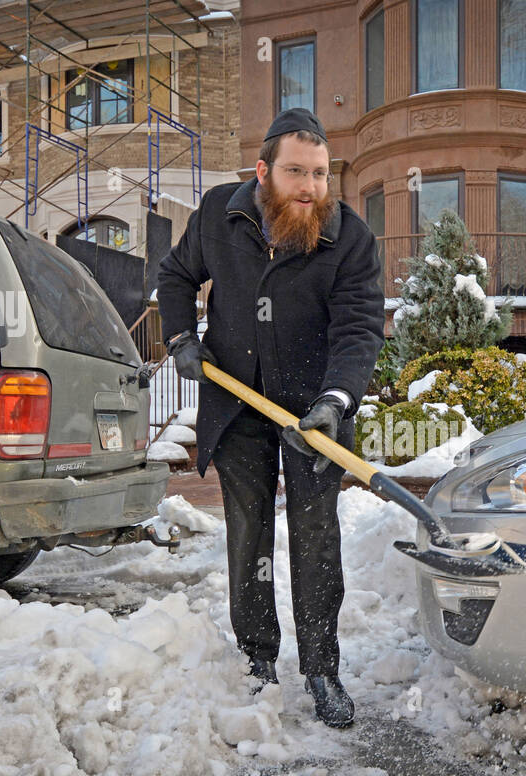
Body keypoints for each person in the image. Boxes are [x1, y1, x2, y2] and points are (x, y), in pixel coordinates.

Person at [155, 107, 385, 728]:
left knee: (316, 538)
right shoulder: (217, 215)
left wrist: (336, 400)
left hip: (315, 412)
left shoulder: (348, 238)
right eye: (295, 172)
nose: (310, 187)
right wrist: (182, 338)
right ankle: (258, 657)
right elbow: (175, 276)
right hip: (238, 404)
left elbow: (359, 328)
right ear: (263, 172)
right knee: (247, 534)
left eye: (319, 173)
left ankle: (321, 668)